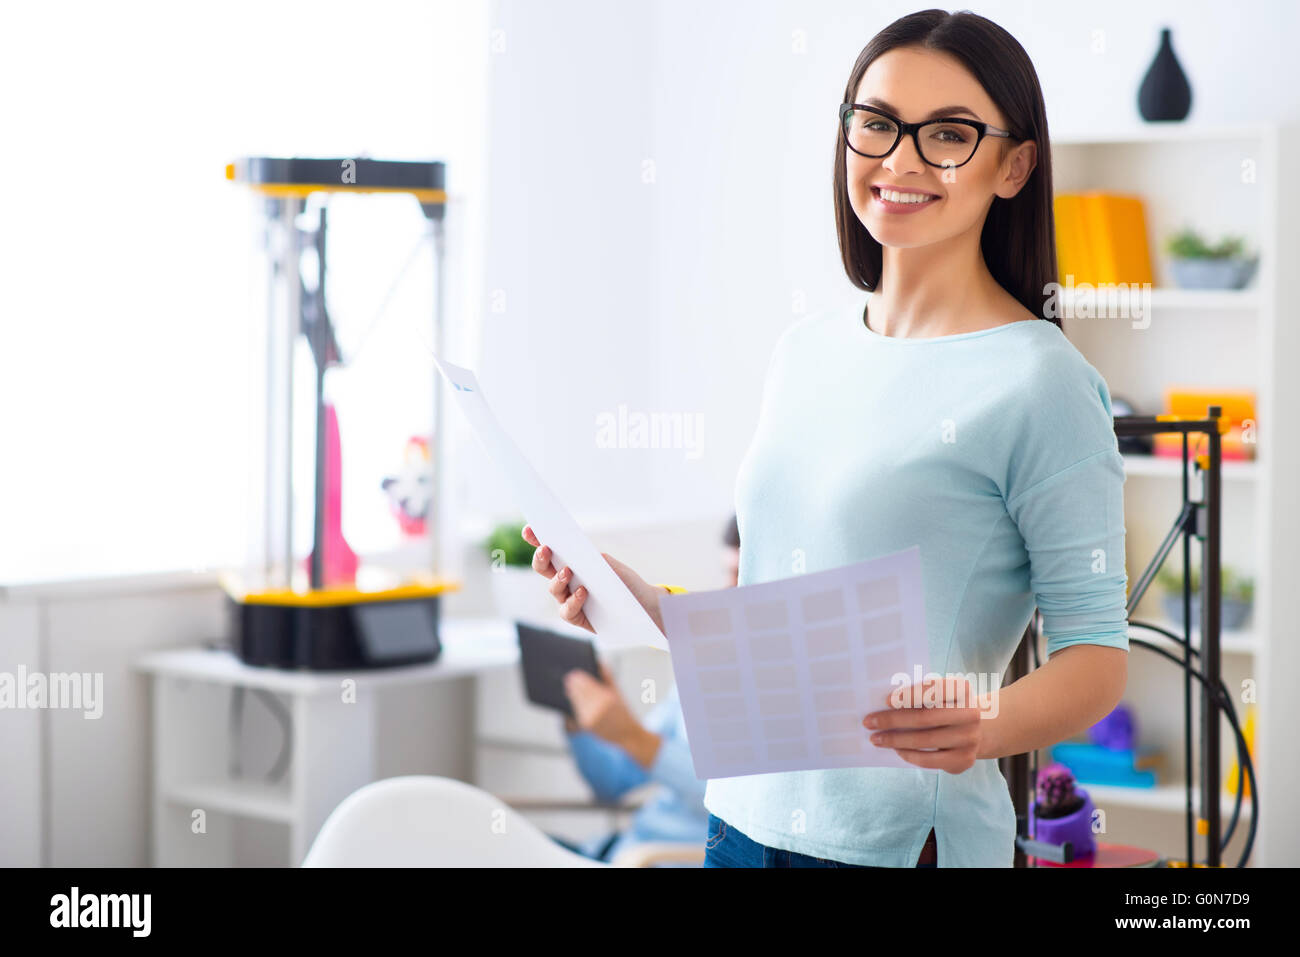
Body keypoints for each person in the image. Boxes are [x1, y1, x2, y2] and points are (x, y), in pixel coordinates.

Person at [524, 9, 1128, 868]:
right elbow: (786, 618)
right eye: (876, 124)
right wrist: (645, 603)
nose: (901, 159)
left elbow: (1097, 658)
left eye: (948, 134)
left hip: (900, 843)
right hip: (740, 819)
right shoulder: (804, 350)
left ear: (1014, 164)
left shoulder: (1044, 382)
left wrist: (980, 724)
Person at [550, 515, 739, 863]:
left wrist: (635, 738)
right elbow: (612, 782)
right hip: (610, 851)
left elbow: (734, 801)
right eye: (729, 575)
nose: (731, 594)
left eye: (744, 578)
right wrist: (579, 720)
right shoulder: (702, 668)